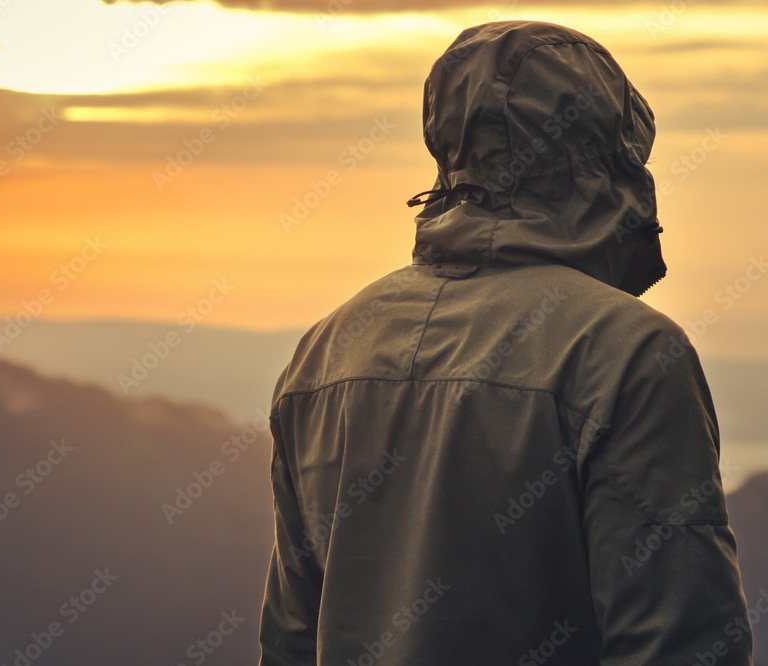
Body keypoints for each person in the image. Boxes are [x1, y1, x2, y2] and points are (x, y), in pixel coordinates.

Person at [258, 20, 753, 665]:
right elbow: (681, 643)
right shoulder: (628, 353)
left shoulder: (325, 352)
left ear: (448, 145)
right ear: (612, 152)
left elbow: (291, 640)